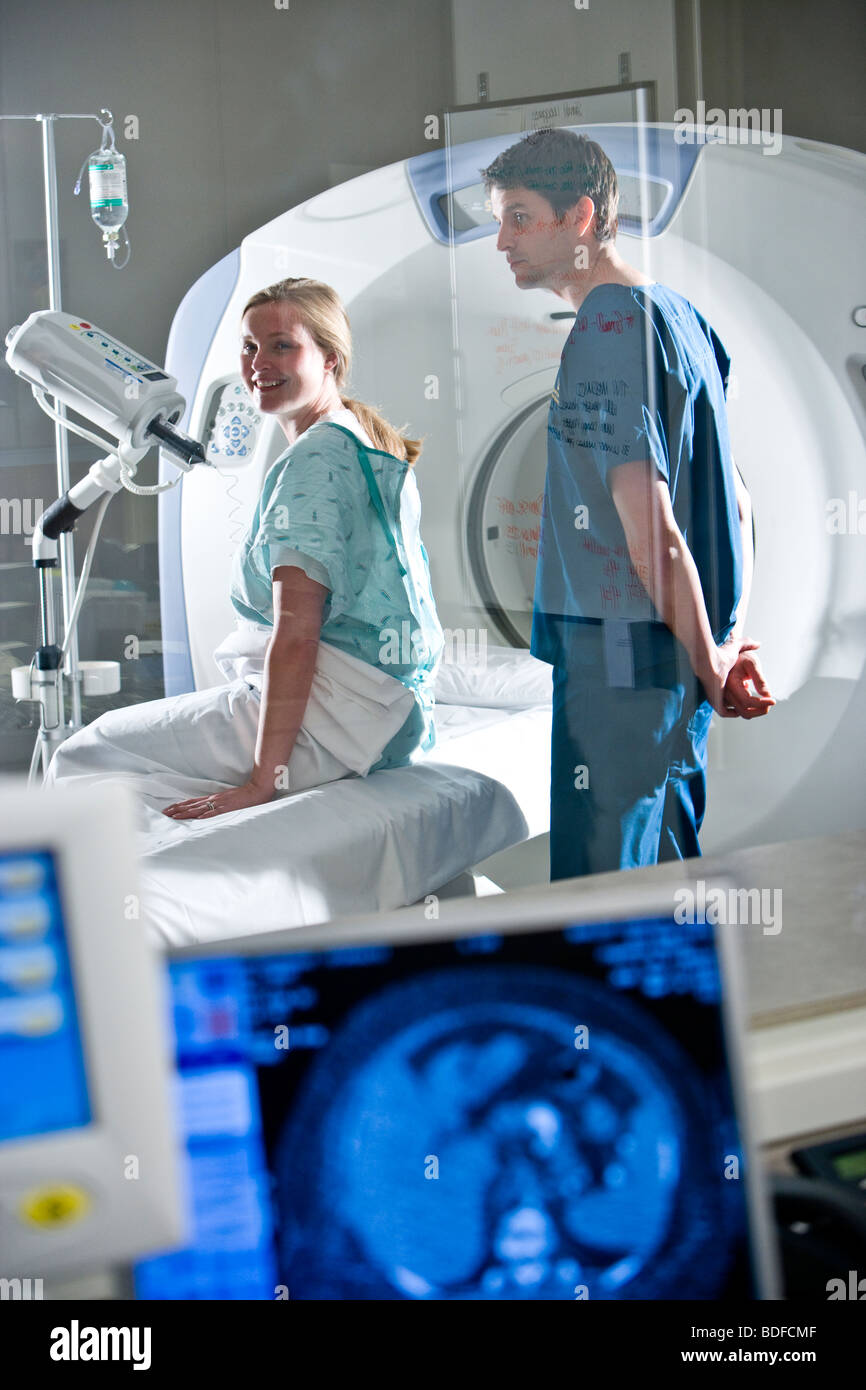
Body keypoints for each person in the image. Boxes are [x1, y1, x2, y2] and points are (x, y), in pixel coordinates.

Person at [481, 128, 774, 878]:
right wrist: (720, 645)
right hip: (677, 657)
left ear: (578, 216)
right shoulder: (683, 317)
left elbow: (650, 522)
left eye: (517, 217)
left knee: (600, 891)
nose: (500, 242)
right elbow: (735, 499)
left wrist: (709, 655)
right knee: (669, 874)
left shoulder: (605, 328)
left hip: (620, 656)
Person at [45, 277, 443, 820]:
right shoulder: (359, 440)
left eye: (283, 345)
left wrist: (263, 781)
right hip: (384, 715)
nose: (259, 362)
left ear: (330, 357)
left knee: (87, 753)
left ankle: (141, 893)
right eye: (250, 346)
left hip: (337, 719)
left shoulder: (314, 462)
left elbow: (297, 636)